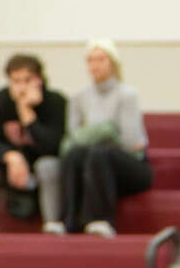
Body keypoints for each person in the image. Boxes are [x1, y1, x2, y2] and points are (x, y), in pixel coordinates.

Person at [61, 39, 151, 238]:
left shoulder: (128, 95)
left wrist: (91, 134)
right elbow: (71, 141)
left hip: (130, 165)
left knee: (99, 153)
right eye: (91, 60)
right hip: (93, 163)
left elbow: (130, 142)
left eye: (101, 59)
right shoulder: (78, 98)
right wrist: (107, 130)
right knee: (76, 154)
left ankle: (100, 220)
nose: (95, 65)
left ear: (112, 62)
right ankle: (70, 221)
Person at [0, 53, 66, 234]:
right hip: (9, 168)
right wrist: (11, 156)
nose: (21, 88)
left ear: (39, 79)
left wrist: (26, 114)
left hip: (40, 165)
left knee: (49, 166)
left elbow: (53, 147)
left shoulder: (56, 102)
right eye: (16, 81)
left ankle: (53, 227)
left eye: (27, 80)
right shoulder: (1, 100)